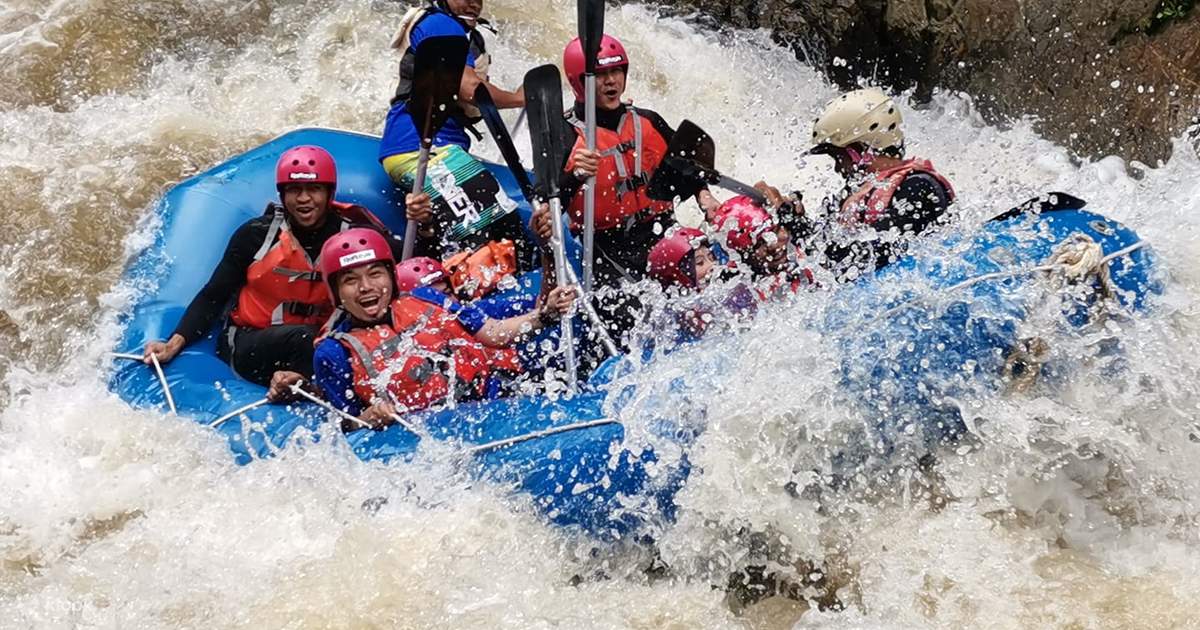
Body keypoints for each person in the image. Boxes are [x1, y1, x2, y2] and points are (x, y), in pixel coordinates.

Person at [142, 146, 395, 399]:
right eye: (294, 190)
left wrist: (425, 226)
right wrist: (174, 343)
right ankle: (305, 389)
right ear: (283, 195)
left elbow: (401, 266)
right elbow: (214, 295)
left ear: (329, 193)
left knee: (331, 344)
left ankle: (314, 386)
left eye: (314, 189)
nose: (304, 199)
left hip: (321, 342)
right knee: (306, 340)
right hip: (250, 343)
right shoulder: (256, 235)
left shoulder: (353, 237)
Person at [547, 33, 720, 352]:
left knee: (714, 289)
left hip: (663, 235)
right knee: (630, 317)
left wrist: (704, 196)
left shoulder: (648, 120)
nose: (611, 82)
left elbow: (685, 169)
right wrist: (575, 174)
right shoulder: (563, 134)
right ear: (578, 82)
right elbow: (548, 201)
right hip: (607, 250)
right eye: (600, 75)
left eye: (616, 72)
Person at [312, 229, 577, 430]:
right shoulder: (333, 353)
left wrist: (545, 315)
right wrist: (366, 419)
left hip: (494, 404)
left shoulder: (428, 298)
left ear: (391, 278)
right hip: (428, 439)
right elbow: (345, 430)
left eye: (375, 273)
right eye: (350, 280)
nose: (366, 287)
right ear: (336, 292)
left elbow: (495, 334)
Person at [380, 0, 534, 277]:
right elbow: (469, 88)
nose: (474, 3)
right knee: (500, 230)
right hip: (417, 147)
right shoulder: (441, 24)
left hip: (435, 148)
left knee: (503, 230)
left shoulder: (460, 31)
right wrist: (519, 99)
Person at [771, 87, 955, 281]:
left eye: (839, 158)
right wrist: (795, 218)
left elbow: (863, 261)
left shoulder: (917, 188)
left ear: (858, 152)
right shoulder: (852, 195)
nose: (837, 169)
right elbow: (825, 247)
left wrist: (797, 227)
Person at [645, 227, 757, 344]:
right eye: (699, 262)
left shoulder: (726, 295)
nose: (712, 265)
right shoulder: (672, 322)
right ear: (678, 277)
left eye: (711, 257)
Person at [711, 196, 814, 299]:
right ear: (742, 257)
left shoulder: (809, 248)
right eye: (760, 243)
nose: (773, 245)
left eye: (774, 231)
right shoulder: (742, 293)